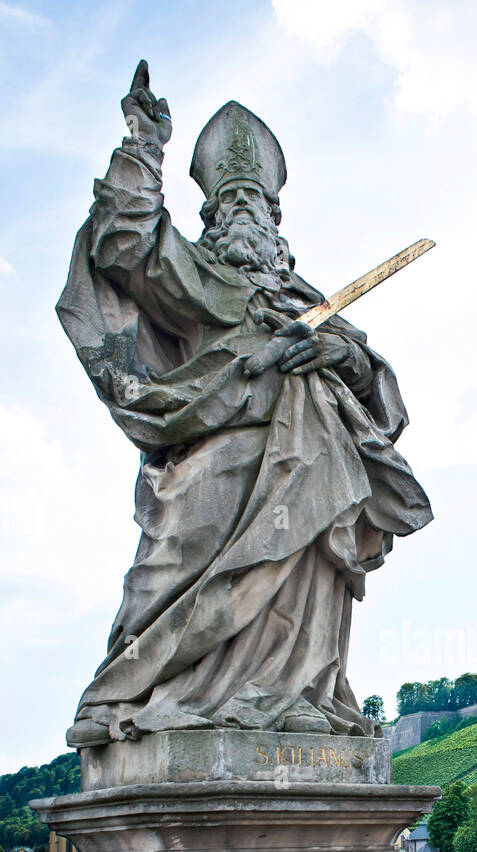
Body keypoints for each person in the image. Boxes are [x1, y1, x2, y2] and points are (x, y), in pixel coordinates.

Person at [57, 62, 432, 747]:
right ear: (209, 218)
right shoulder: (196, 275)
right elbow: (124, 245)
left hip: (313, 466)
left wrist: (335, 355)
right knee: (169, 568)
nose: (244, 219)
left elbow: (377, 384)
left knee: (300, 578)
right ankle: (125, 696)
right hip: (215, 454)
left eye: (255, 208)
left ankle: (294, 695)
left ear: (276, 219)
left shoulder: (306, 301)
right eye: (230, 208)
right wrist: (143, 145)